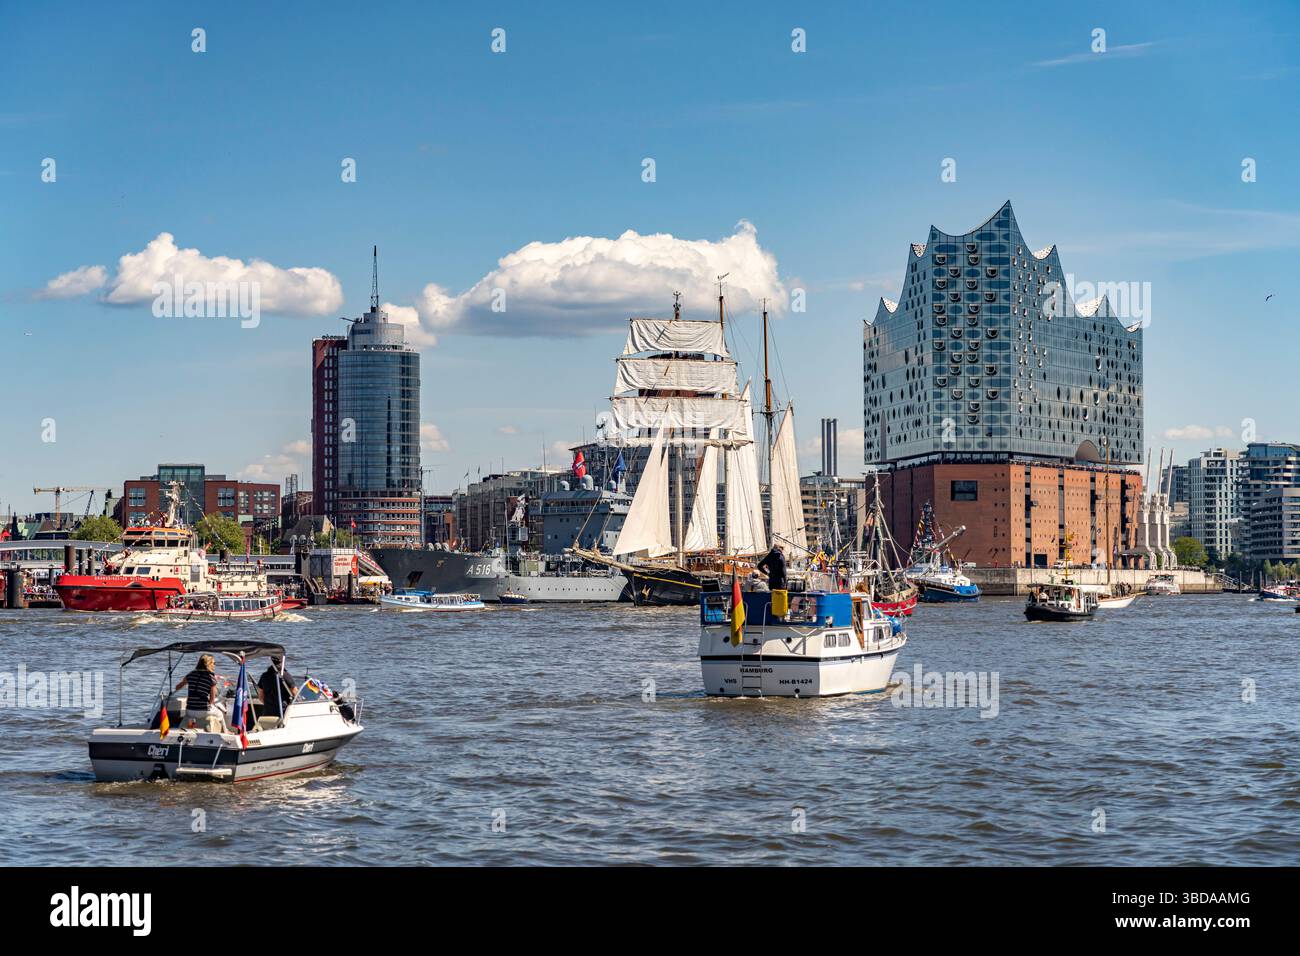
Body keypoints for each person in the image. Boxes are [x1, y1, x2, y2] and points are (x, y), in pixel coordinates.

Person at [175, 653, 220, 730]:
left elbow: (177, 687)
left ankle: (193, 726)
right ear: (209, 664)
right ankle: (226, 730)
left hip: (189, 710)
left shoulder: (191, 674)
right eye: (214, 663)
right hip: (203, 711)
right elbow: (212, 700)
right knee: (220, 714)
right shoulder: (211, 678)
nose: (215, 665)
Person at [257, 655, 298, 720]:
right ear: (282, 661)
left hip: (268, 711)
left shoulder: (264, 676)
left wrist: (270, 705)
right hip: (282, 712)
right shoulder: (285, 675)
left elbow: (260, 697)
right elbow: (295, 694)